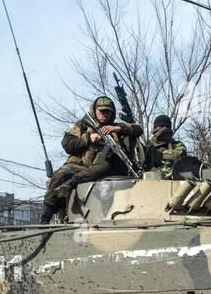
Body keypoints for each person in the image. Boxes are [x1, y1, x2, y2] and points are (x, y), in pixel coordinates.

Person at [40, 95, 142, 223]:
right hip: (78, 165)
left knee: (104, 166)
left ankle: (72, 182)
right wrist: (88, 138)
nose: (104, 114)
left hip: (99, 168)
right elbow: (67, 143)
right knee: (59, 176)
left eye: (108, 112)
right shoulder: (83, 125)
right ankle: (45, 218)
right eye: (101, 111)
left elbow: (138, 130)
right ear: (95, 110)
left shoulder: (115, 128)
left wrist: (118, 128)